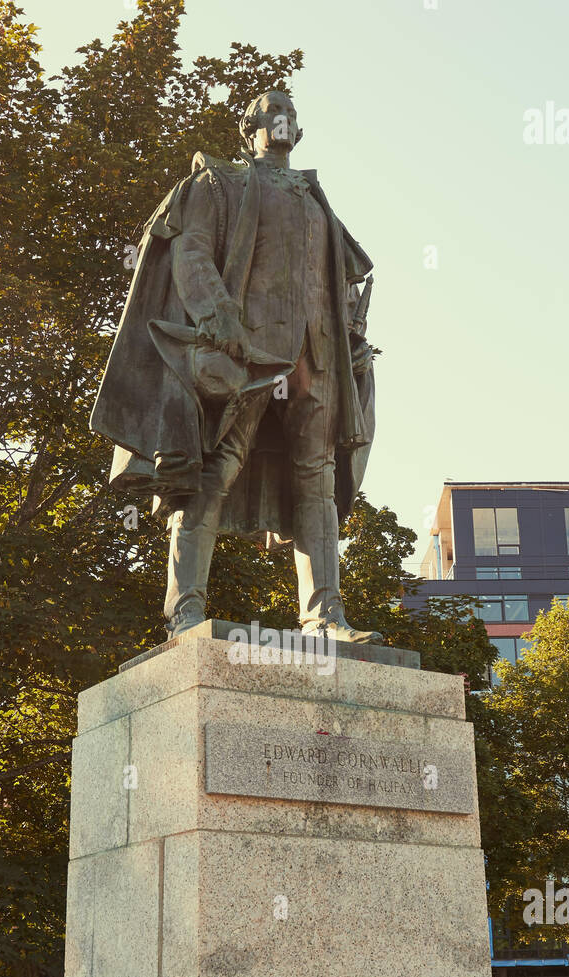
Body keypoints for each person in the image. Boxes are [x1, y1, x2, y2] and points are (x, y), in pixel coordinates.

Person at [91, 90, 382, 643]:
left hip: (315, 357)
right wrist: (219, 313)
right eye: (273, 111)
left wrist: (349, 340)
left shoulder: (317, 199)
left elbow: (333, 283)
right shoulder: (219, 183)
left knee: (316, 483)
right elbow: (192, 252)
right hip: (243, 357)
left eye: (292, 114)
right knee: (210, 473)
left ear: (299, 130)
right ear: (249, 127)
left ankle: (325, 617)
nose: (283, 120)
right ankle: (186, 611)